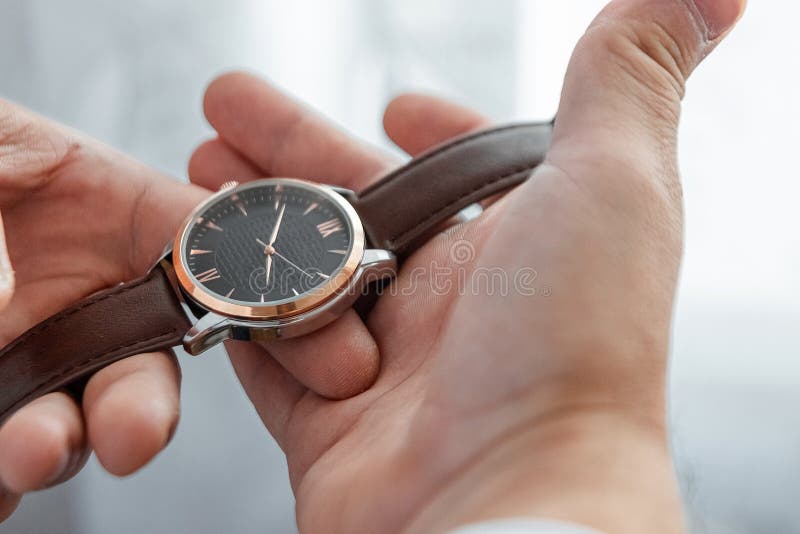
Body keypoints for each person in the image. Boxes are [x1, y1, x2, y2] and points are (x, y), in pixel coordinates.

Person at [0, 0, 744, 532]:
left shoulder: (356, 258)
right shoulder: (194, 275)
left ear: (361, 275)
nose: (268, 249)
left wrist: (548, 443)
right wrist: (548, 463)